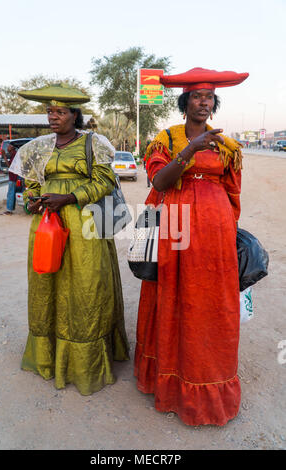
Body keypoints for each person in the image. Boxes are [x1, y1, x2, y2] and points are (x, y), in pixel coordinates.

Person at [134, 68, 249, 426]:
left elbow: (233, 192)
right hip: (176, 229)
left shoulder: (227, 146)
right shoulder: (166, 139)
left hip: (214, 234)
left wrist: (227, 226)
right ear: (185, 103)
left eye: (209, 97)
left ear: (214, 104)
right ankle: (170, 380)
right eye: (197, 97)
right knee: (174, 297)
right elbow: (159, 180)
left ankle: (209, 379)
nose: (203, 102)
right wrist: (191, 149)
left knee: (212, 303)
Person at [10, 84, 129, 395]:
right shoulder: (38, 148)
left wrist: (70, 197)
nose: (53, 117)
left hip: (84, 224)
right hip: (46, 225)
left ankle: (85, 361)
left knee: (86, 285)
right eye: (50, 111)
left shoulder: (94, 143)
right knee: (46, 283)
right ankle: (47, 357)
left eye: (60, 112)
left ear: (75, 116)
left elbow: (104, 181)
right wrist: (33, 200)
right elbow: (32, 184)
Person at [1, 143, 17, 215]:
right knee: (12, 193)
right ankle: (10, 208)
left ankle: (9, 210)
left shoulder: (14, 155)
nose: (7, 147)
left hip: (14, 177)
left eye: (9, 146)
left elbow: (10, 166)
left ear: (12, 147)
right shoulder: (13, 155)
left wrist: (4, 156)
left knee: (10, 193)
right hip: (13, 176)